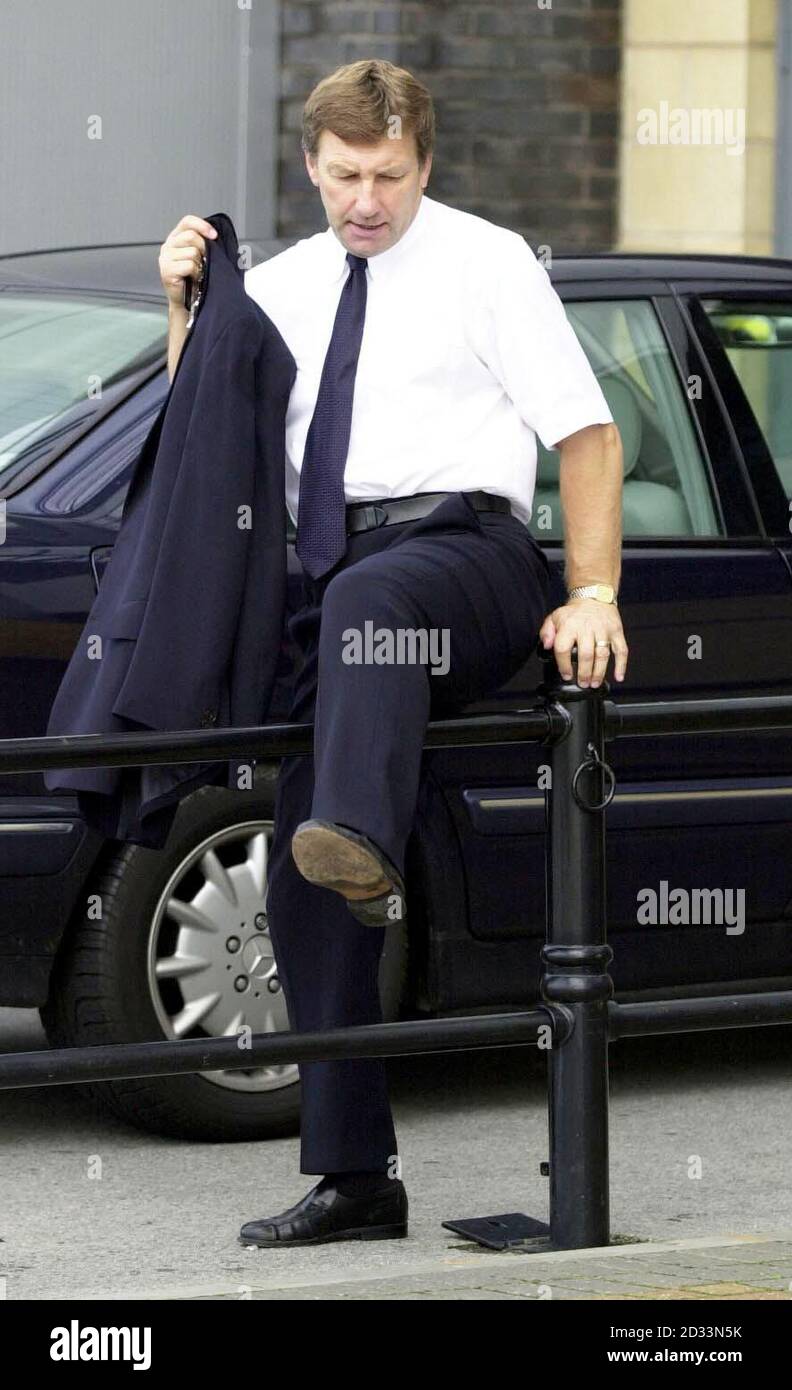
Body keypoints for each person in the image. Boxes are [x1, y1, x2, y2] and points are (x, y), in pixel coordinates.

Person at [159, 58, 629, 1248]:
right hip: (338, 585)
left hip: (466, 557)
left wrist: (593, 590)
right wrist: (183, 314)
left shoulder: (490, 262)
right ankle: (357, 1175)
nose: (366, 200)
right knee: (304, 881)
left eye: (391, 176)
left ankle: (362, 834)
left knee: (375, 610)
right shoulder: (284, 282)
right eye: (345, 176)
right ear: (310, 165)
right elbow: (208, 439)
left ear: (427, 161)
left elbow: (587, 434)